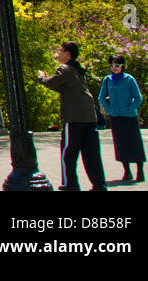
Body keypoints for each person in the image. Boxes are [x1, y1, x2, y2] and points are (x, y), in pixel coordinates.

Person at [38, 41, 107, 191]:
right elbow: (70, 89)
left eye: (60, 51)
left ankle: (71, 184)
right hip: (89, 116)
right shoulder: (78, 70)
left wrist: (42, 77)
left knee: (68, 152)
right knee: (91, 154)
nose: (58, 53)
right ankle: (99, 185)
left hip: (74, 117)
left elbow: (51, 83)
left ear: (67, 54)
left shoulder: (65, 69)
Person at [98, 54, 146, 183]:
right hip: (116, 117)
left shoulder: (129, 79)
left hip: (129, 117)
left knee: (134, 144)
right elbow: (101, 97)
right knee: (121, 145)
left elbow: (138, 98)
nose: (114, 68)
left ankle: (140, 170)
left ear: (122, 66)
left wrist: (130, 108)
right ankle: (127, 171)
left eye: (117, 65)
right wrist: (110, 110)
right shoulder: (107, 80)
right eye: (112, 65)